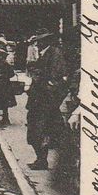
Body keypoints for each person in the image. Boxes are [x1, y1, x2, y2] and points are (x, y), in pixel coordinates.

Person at [26, 32, 68, 170]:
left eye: (40, 41)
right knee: (36, 131)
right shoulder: (45, 53)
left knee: (41, 131)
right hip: (38, 99)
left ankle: (42, 160)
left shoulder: (54, 53)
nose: (37, 44)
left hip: (46, 101)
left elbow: (54, 76)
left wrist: (40, 78)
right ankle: (40, 159)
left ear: (46, 41)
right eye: (37, 41)